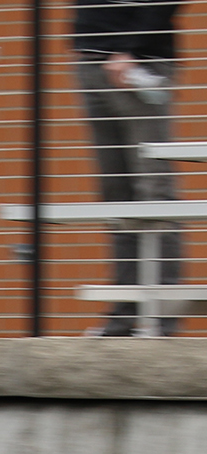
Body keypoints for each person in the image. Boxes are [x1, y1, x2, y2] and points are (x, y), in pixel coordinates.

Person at [73, 0, 184, 337]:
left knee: (153, 190)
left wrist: (130, 48)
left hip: (139, 60)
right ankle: (123, 314)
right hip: (90, 58)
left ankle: (162, 317)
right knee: (116, 197)